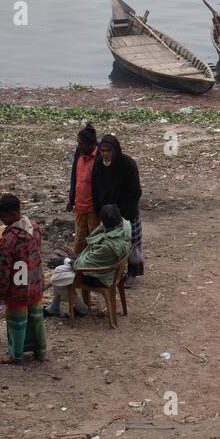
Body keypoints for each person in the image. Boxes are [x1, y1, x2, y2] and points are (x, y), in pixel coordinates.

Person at [0, 194, 46, 365]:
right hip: (35, 283)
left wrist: (0, 291)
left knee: (16, 321)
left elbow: (4, 269)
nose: (1, 219)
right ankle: (40, 351)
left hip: (18, 289)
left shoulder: (8, 239)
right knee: (36, 318)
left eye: (3, 215)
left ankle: (16, 355)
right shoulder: (35, 229)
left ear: (14, 214)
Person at [91, 134, 143, 287]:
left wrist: (122, 213)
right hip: (107, 213)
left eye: (108, 151)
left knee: (132, 242)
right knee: (111, 243)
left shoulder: (128, 165)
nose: (105, 154)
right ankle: (115, 272)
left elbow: (135, 192)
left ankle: (133, 273)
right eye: (103, 151)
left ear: (115, 150)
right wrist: (100, 211)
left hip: (127, 211)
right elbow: (95, 188)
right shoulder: (99, 164)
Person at [72, 204, 132, 305]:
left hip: (102, 276)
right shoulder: (125, 225)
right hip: (113, 270)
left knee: (58, 276)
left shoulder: (108, 245)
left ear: (104, 223)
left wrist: (69, 261)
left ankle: (80, 308)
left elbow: (81, 266)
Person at [65, 123, 98, 254]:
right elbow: (75, 177)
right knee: (79, 243)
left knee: (95, 242)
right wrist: (71, 199)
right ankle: (79, 270)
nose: (79, 146)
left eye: (81, 143)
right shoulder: (79, 153)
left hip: (94, 210)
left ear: (91, 145)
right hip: (80, 207)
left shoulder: (99, 158)